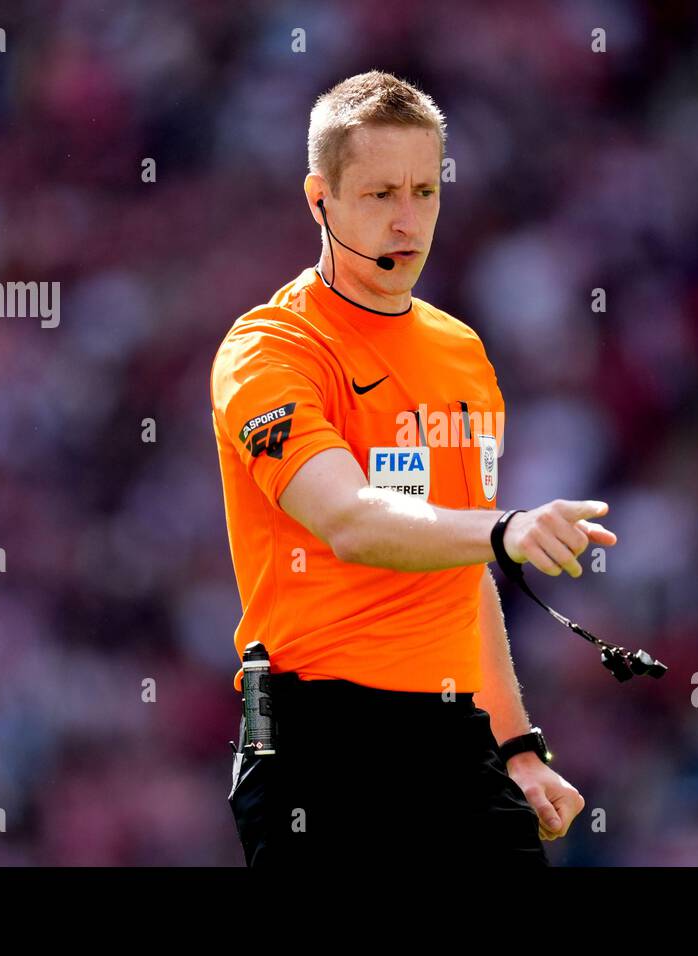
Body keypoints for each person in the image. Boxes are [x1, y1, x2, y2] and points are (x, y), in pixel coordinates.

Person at [209, 70, 617, 867]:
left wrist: (518, 746)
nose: (407, 221)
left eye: (426, 191)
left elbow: (465, 568)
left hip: (455, 742)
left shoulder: (460, 352)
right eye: (380, 194)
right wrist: (507, 529)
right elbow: (352, 520)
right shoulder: (270, 350)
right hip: (319, 751)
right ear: (318, 198)